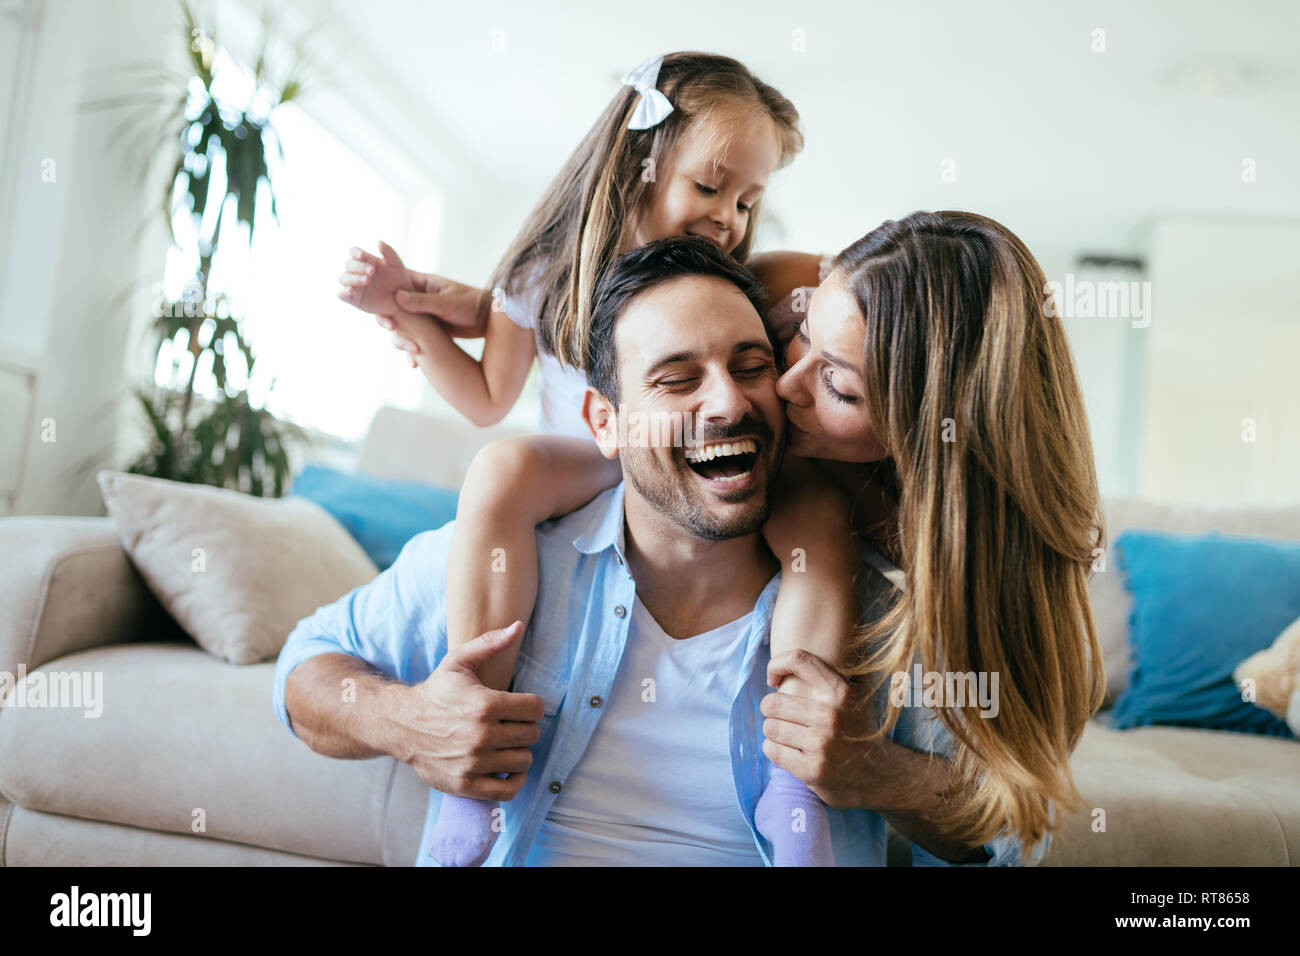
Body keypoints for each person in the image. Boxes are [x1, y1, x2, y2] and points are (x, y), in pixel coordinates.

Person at [276, 236, 1040, 866]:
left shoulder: (879, 616)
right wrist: (406, 722)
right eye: (677, 380)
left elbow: (1015, 833)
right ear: (603, 424)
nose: (730, 402)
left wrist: (882, 774)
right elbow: (305, 670)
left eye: (752, 367)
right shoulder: (508, 559)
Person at [337, 52, 853, 866]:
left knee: (820, 507)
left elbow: (863, 287)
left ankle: (793, 779)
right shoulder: (547, 273)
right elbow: (484, 399)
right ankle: (473, 758)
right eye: (711, 187)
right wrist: (417, 319)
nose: (730, 216)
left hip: (699, 471)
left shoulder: (738, 282)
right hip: (590, 464)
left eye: (750, 200)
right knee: (501, 468)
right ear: (642, 161)